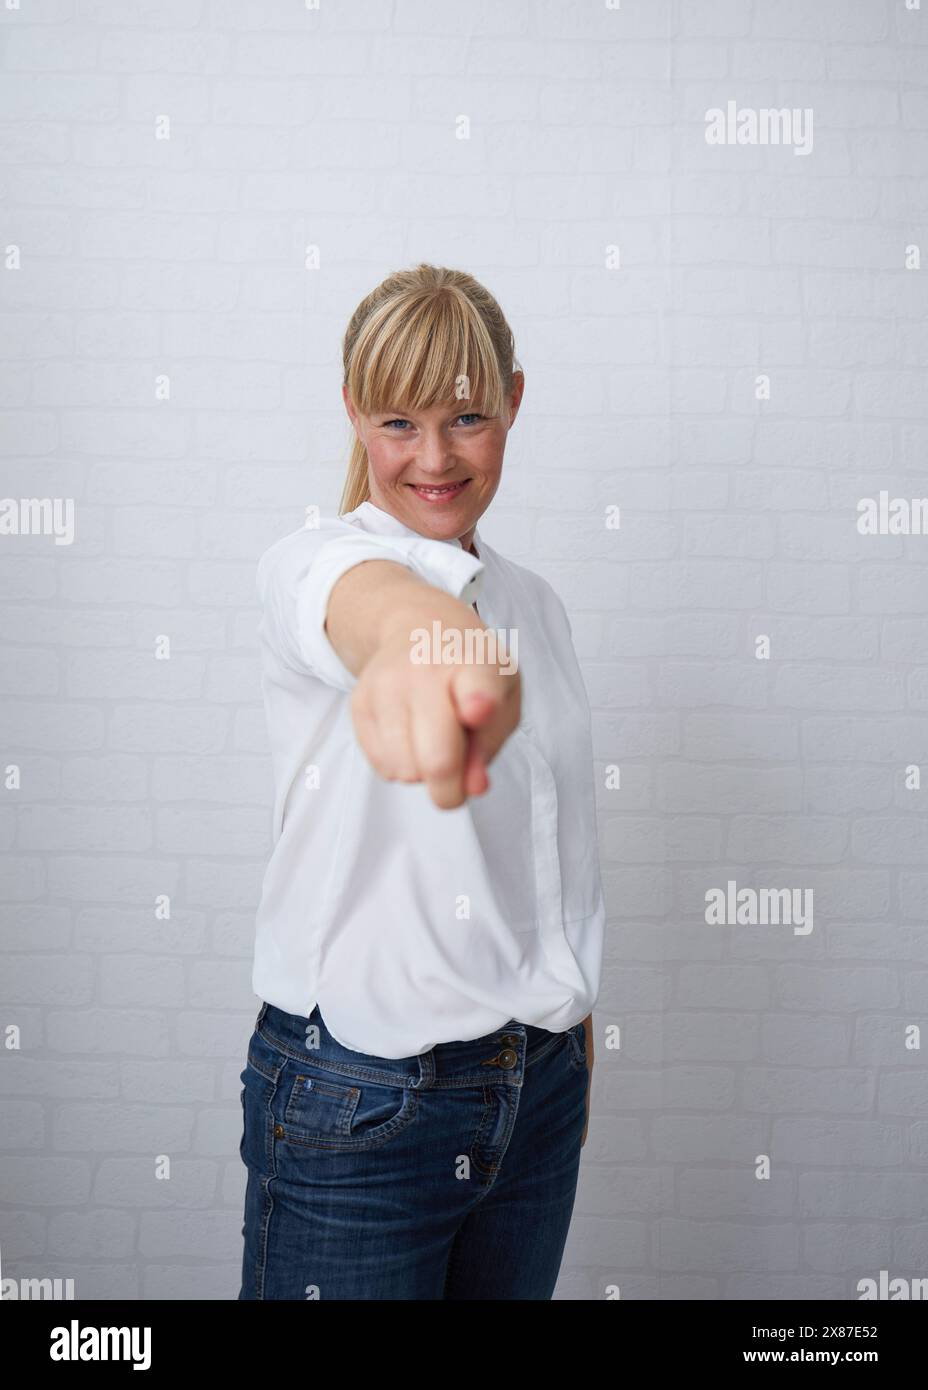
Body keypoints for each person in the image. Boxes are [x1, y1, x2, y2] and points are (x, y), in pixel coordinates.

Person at [238, 263, 605, 1300]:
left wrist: (569, 1042)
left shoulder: (537, 605)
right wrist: (424, 640)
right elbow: (373, 608)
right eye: (398, 422)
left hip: (536, 1094)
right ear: (353, 412)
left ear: (514, 403)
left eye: (466, 418)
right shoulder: (309, 564)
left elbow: (556, 856)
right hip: (361, 1103)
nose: (434, 458)